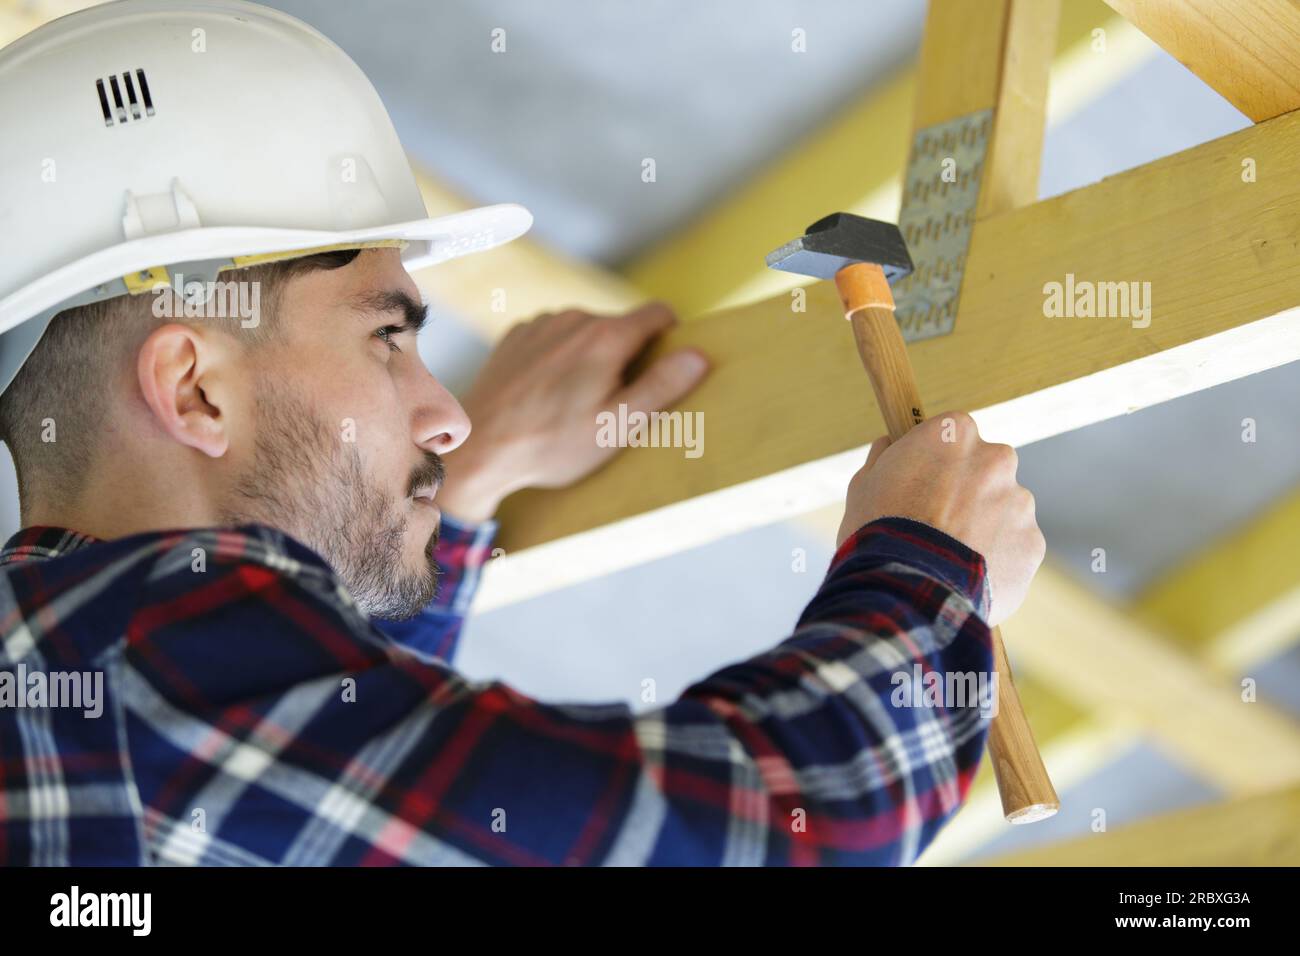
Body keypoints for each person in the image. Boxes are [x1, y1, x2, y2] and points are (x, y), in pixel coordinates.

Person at [0, 0, 1043, 865]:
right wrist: (926, 572)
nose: (447, 413)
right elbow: (771, 834)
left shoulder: (79, 696)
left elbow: (333, 772)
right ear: (192, 388)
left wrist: (449, 501)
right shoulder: (138, 660)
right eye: (386, 338)